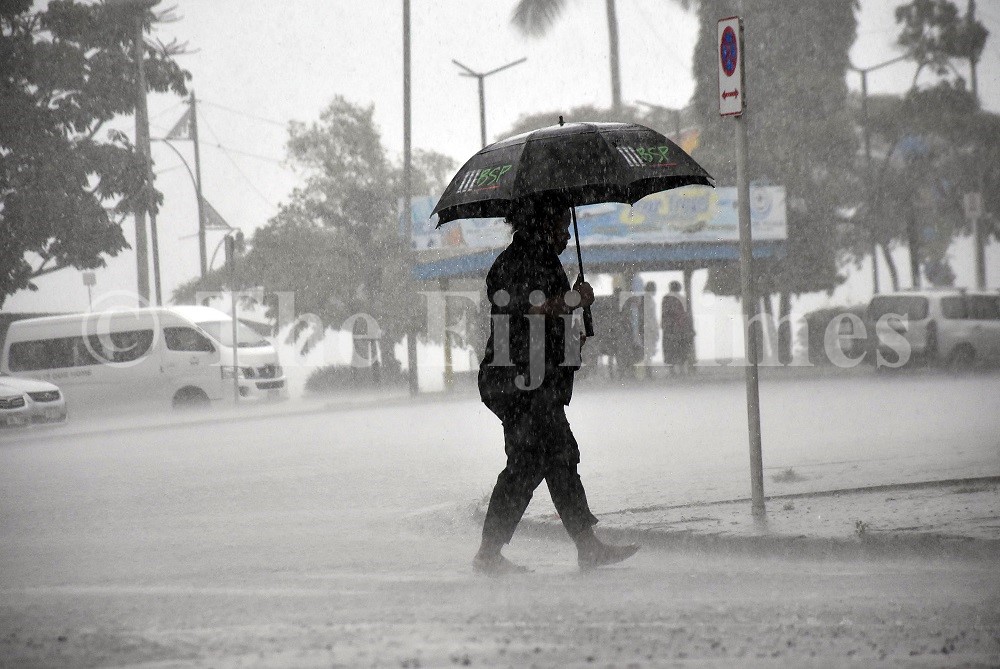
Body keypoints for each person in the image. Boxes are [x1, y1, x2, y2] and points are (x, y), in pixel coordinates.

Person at [474, 196, 640, 575]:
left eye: (568, 227)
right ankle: (488, 554)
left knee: (558, 456)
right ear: (539, 226)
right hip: (515, 380)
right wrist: (572, 298)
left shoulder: (547, 262)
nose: (567, 235)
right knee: (528, 461)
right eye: (560, 227)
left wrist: (573, 340)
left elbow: (550, 322)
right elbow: (531, 310)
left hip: (539, 380)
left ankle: (586, 546)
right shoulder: (512, 264)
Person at [660, 280, 694, 375]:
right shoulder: (683, 299)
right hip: (681, 329)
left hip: (669, 329)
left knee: (670, 350)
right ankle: (682, 370)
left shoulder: (666, 299)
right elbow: (687, 315)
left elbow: (664, 314)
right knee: (681, 349)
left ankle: (672, 371)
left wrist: (664, 325)